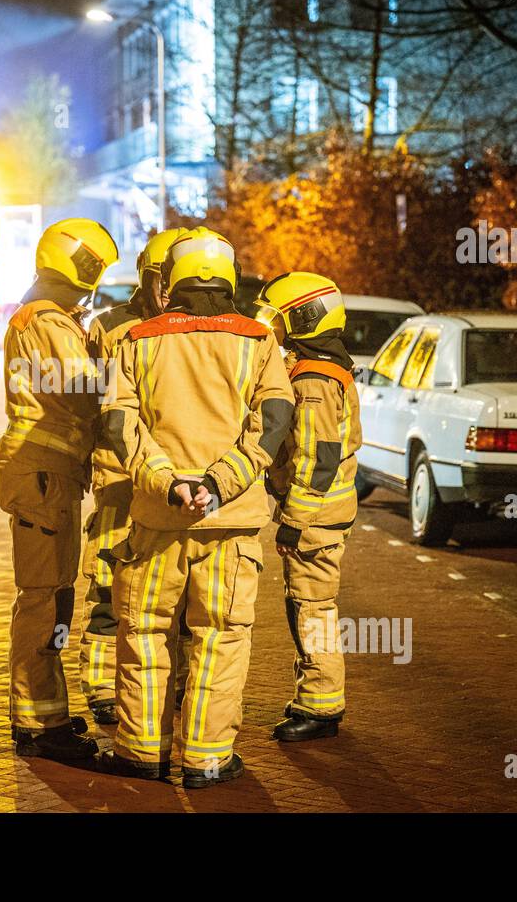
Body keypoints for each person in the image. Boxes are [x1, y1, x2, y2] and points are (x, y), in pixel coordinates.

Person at [97, 228, 296, 787]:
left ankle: (141, 751)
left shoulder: (136, 338)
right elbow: (274, 422)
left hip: (159, 518)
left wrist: (168, 483)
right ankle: (208, 757)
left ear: (174, 282)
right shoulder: (259, 340)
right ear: (229, 279)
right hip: (230, 522)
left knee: (144, 631)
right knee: (221, 635)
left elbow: (119, 423)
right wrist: (218, 483)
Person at [0, 218, 119, 762]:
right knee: (45, 601)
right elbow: (83, 385)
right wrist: (125, 373)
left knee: (53, 597)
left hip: (49, 475)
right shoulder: (45, 320)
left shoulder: (49, 318)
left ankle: (45, 718)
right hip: (42, 474)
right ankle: (41, 727)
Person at [77, 227, 187, 725]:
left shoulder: (204, 331)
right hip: (120, 481)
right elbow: (91, 405)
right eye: (156, 277)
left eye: (172, 277)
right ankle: (101, 685)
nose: (165, 288)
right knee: (107, 588)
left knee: (177, 601)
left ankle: (173, 688)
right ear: (143, 277)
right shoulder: (109, 328)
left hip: (177, 486)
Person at [254, 272, 362, 742]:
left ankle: (320, 707)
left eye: (279, 317)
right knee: (307, 606)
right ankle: (315, 697)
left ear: (302, 317)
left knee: (312, 609)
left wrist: (293, 523)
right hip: (323, 514)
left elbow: (318, 458)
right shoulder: (321, 368)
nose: (272, 327)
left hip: (315, 517)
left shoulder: (315, 380)